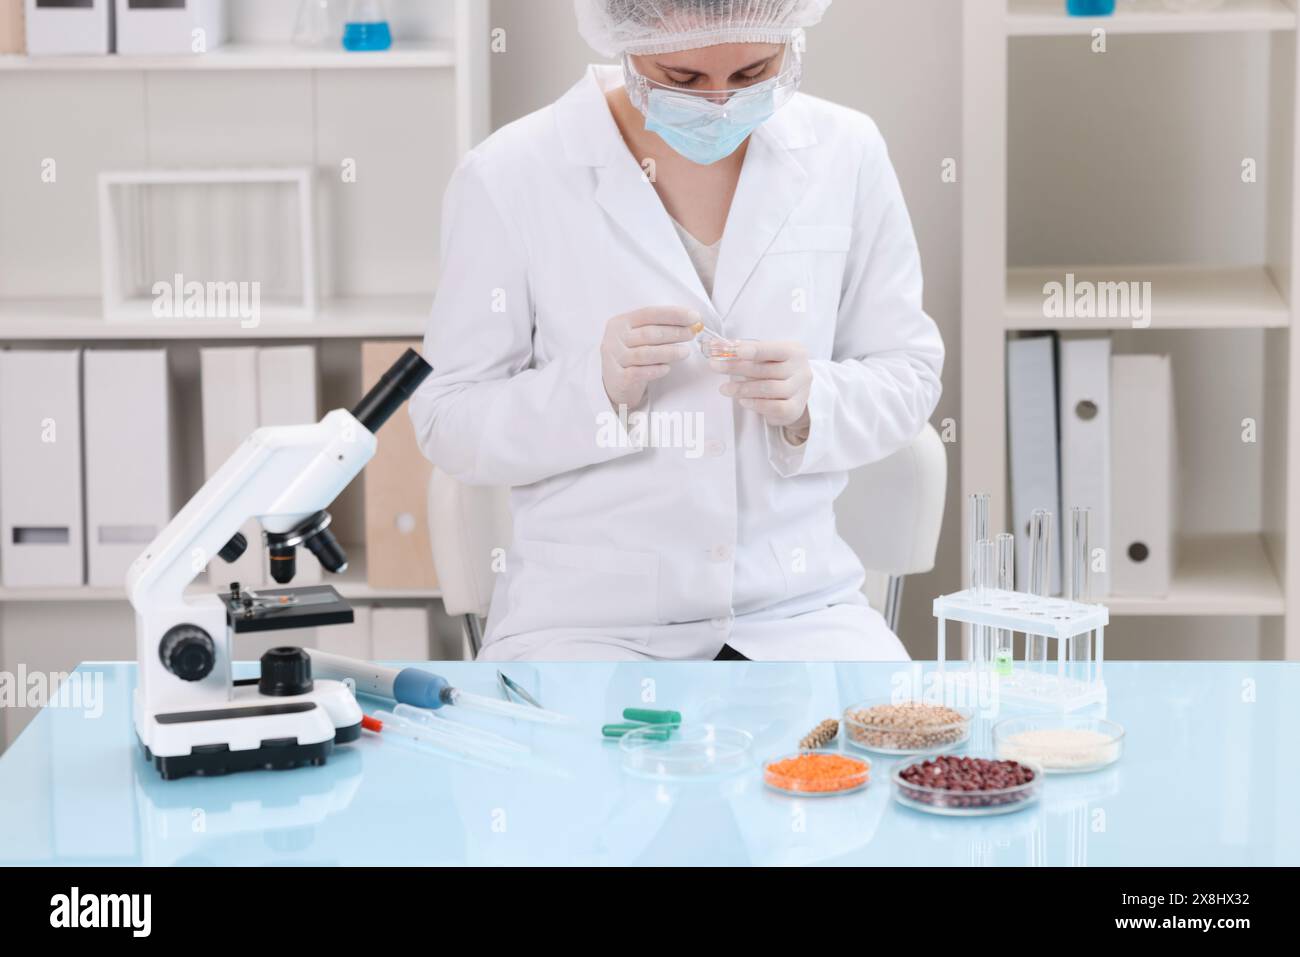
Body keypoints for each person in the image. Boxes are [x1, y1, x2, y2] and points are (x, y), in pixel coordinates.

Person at [410, 0, 944, 661]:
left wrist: (814, 400)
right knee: (578, 764)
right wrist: (594, 390)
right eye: (684, 79)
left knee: (879, 758)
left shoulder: (847, 151)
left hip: (798, 611)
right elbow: (447, 417)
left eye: (753, 71)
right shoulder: (512, 173)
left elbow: (908, 371)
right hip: (584, 623)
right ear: (625, 42)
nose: (721, 104)